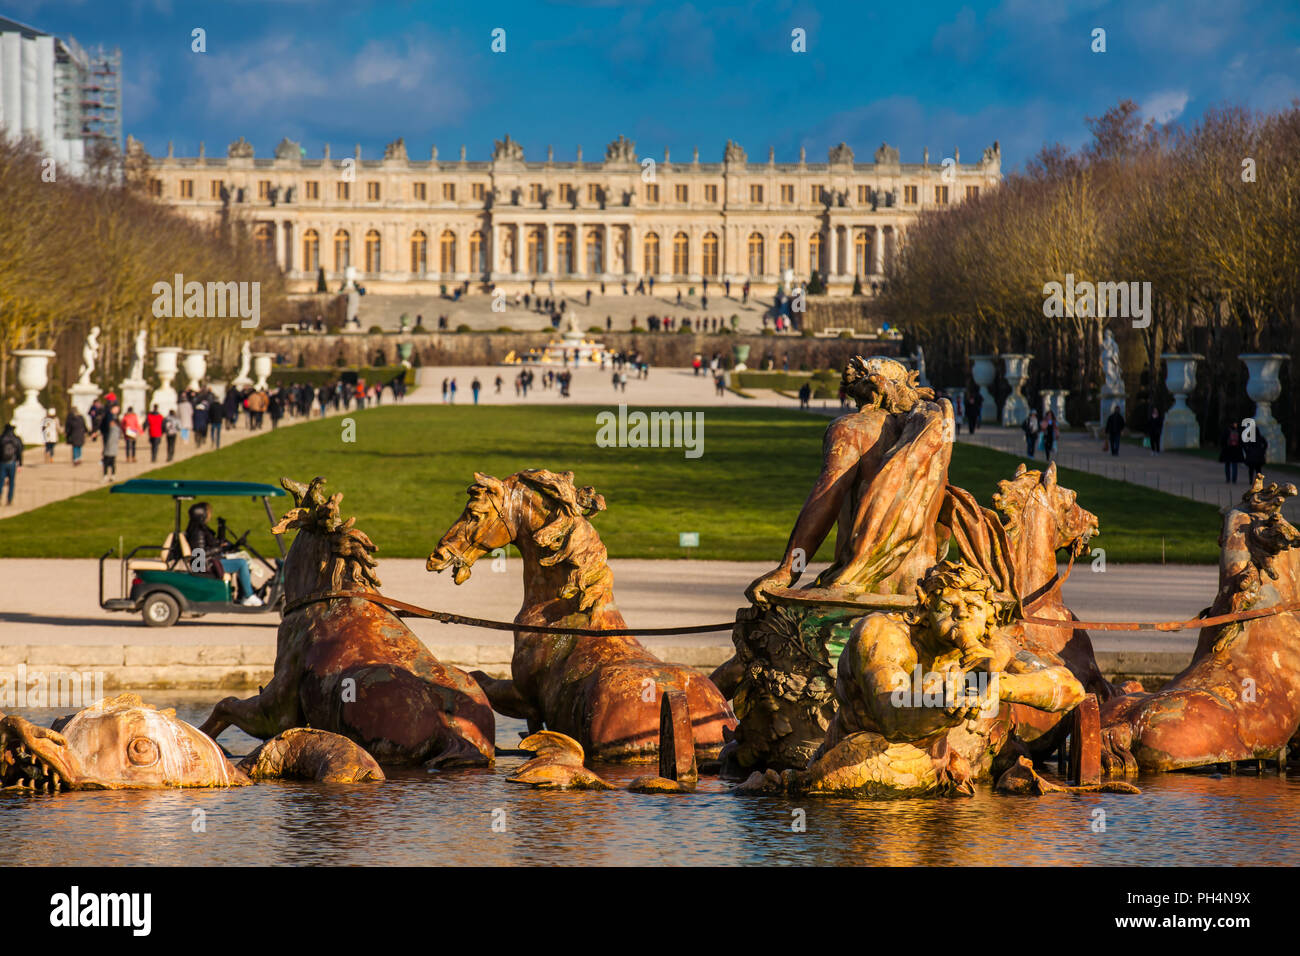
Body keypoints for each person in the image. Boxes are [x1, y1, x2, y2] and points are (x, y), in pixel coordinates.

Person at [184, 502, 261, 605]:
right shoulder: (198, 532)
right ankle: (248, 595)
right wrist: (219, 548)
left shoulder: (200, 529)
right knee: (241, 563)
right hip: (205, 565)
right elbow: (199, 554)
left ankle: (243, 595)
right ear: (202, 515)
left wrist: (221, 531)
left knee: (240, 557)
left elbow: (210, 545)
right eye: (208, 513)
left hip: (209, 561)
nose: (210, 515)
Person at [0, 421, 22, 506]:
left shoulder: (2, 438)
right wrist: (19, 464)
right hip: (12, 462)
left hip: (2, 463)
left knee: (1, 481)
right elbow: (19, 452)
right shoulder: (16, 439)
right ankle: (9, 499)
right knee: (12, 482)